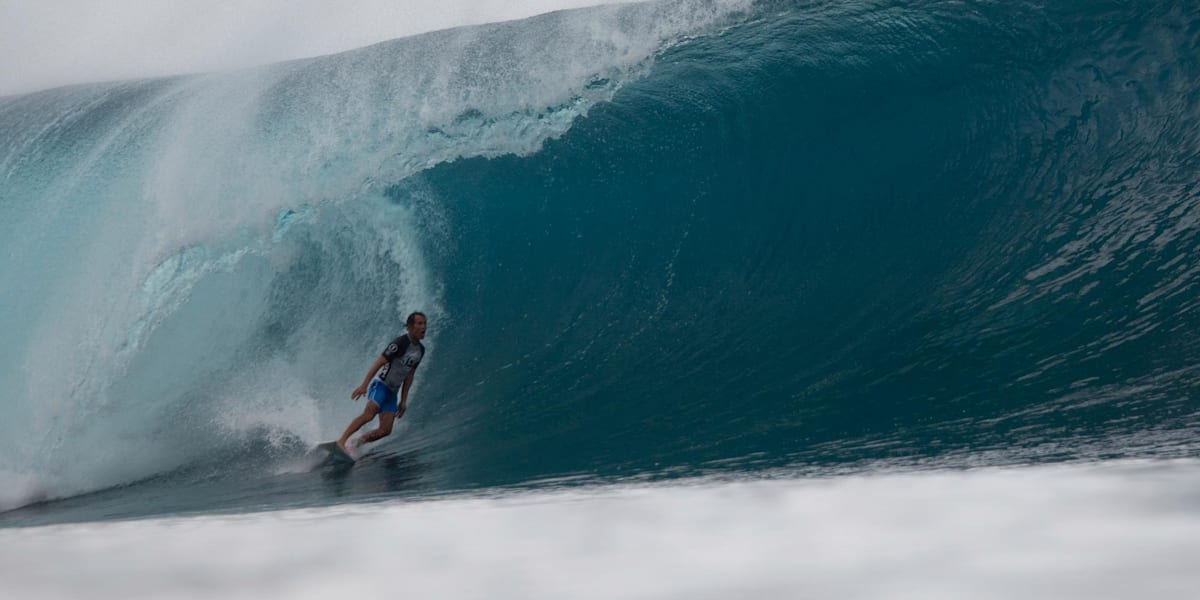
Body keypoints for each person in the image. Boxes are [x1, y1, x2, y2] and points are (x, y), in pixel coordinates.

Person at [337, 311, 427, 453]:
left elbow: (410, 375)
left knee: (385, 430)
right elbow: (379, 362)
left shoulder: (420, 350)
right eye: (420, 323)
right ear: (410, 326)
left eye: (425, 323)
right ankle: (341, 441)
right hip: (381, 385)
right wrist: (364, 385)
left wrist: (403, 400)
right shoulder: (400, 343)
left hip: (393, 392)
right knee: (369, 414)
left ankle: (356, 443)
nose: (424, 327)